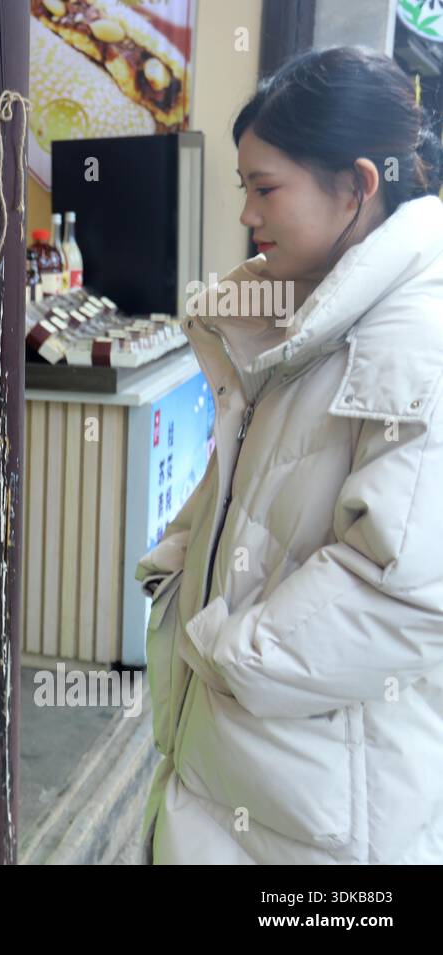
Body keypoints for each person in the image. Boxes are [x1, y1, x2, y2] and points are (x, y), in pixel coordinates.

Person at [137, 47, 443, 863]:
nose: (247, 213)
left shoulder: (416, 340)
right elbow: (256, 492)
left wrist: (226, 653)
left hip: (323, 816)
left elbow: (410, 593)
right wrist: (181, 560)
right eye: (245, 186)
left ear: (358, 184)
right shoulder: (308, 316)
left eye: (265, 187)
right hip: (258, 777)